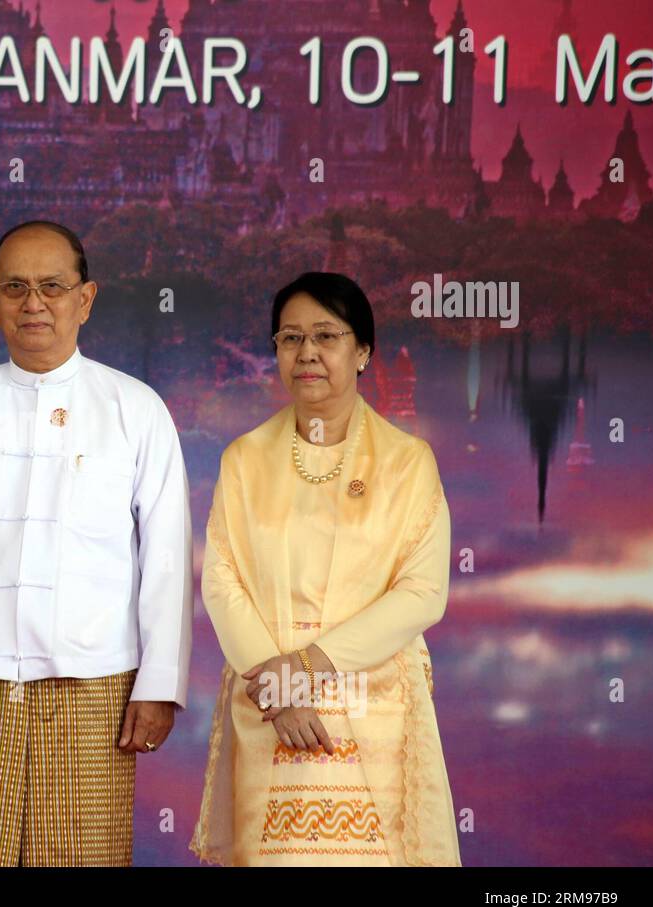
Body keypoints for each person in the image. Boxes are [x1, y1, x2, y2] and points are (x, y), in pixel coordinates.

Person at [0, 220, 193, 866]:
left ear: (85, 299)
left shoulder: (134, 409)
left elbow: (165, 561)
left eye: (52, 287)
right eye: (16, 288)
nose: (34, 304)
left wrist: (159, 683)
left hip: (97, 688)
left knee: (84, 856)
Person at [190, 272, 460, 866]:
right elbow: (221, 580)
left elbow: (422, 594)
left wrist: (307, 668)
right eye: (289, 339)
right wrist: (281, 688)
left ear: (362, 352)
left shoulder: (408, 462)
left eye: (326, 336)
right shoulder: (244, 459)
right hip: (272, 712)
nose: (306, 352)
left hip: (372, 709)